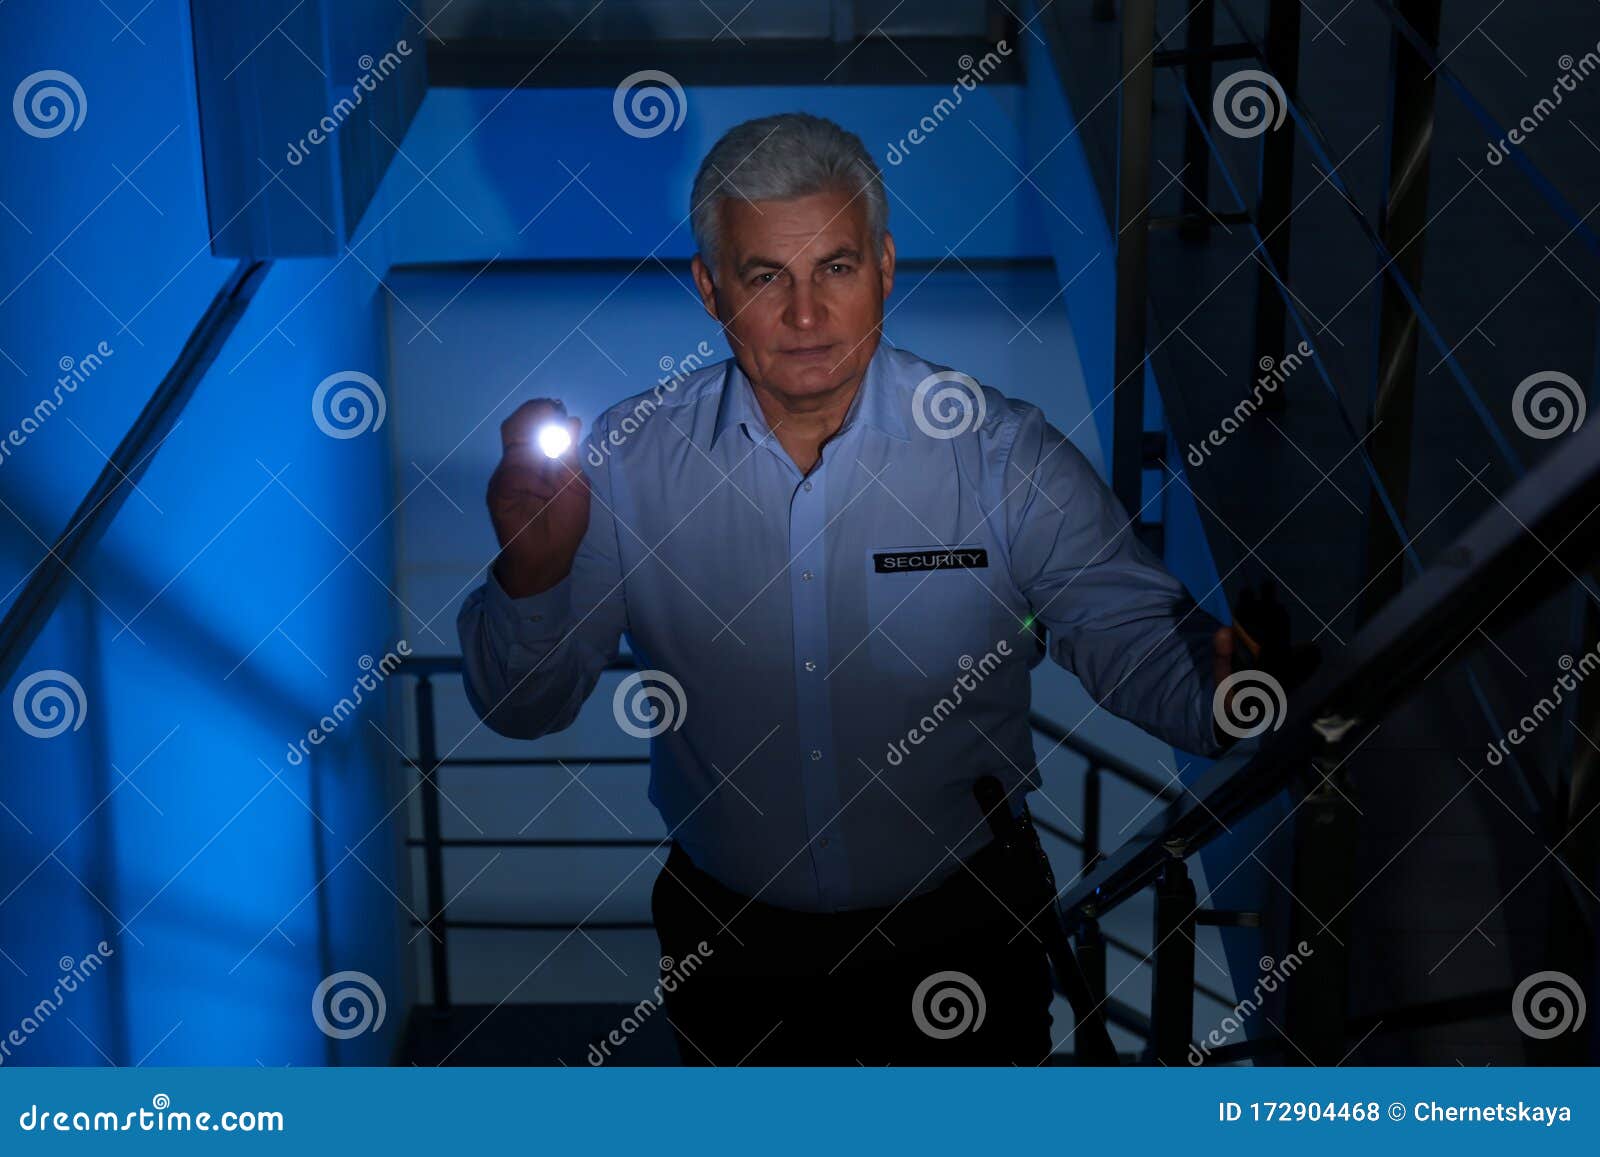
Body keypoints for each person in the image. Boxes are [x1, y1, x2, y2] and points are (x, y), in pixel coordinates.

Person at [458, 112, 1242, 1065]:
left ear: (884, 268)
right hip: (732, 947)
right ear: (710, 290)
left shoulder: (998, 455)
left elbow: (1126, 635)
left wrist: (1224, 690)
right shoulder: (624, 466)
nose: (804, 315)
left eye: (834, 267)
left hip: (965, 930)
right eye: (764, 277)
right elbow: (522, 707)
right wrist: (532, 576)